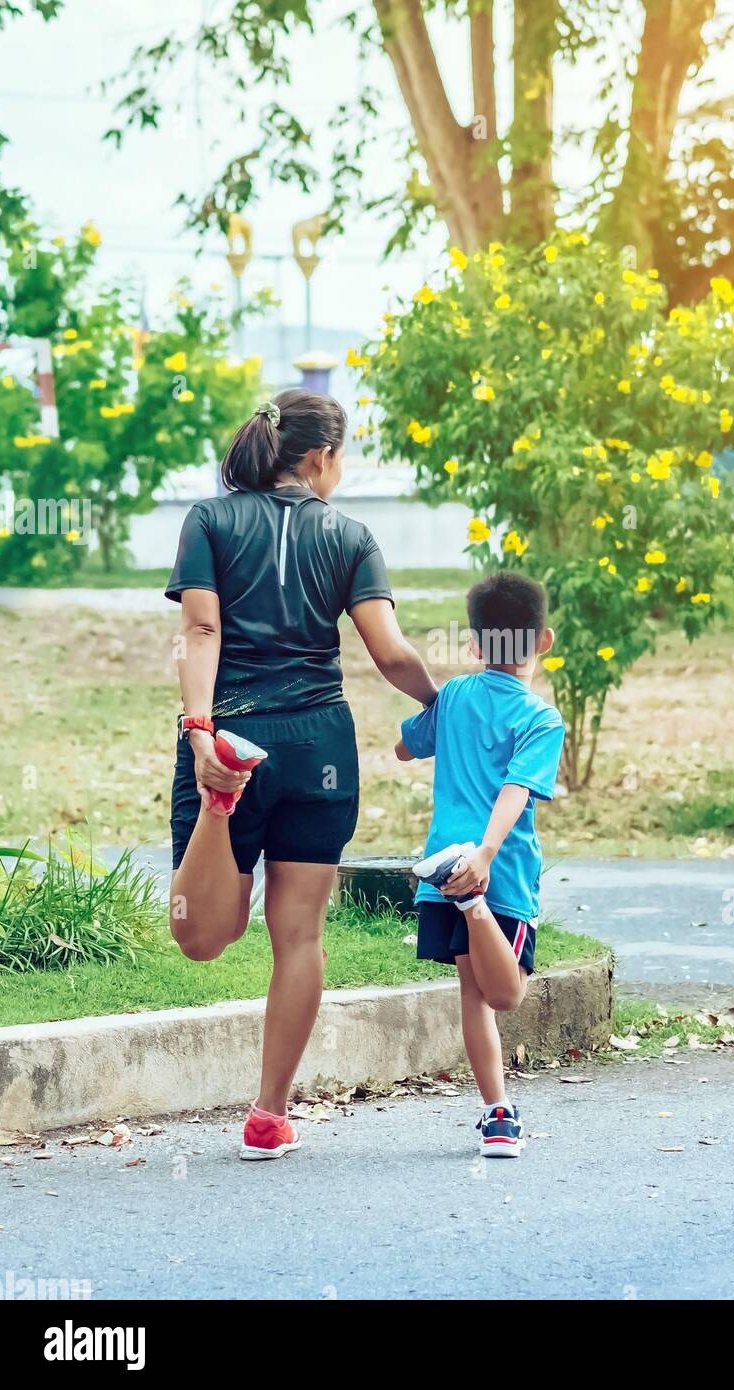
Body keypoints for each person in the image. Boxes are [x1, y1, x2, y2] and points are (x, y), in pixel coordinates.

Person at [166, 388, 437, 1160]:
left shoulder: (209, 520)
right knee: (300, 936)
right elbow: (389, 653)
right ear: (320, 458)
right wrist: (443, 707)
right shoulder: (349, 536)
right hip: (320, 745)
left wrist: (199, 732)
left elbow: (201, 628)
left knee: (202, 936)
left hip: (236, 734)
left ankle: (222, 806)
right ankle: (267, 1114)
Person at [396, 573, 565, 1157]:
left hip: (443, 864)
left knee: (474, 996)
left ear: (474, 646)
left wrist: (433, 714)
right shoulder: (542, 719)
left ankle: (497, 1112)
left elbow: (404, 746)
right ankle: (473, 905)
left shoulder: (456, 697)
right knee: (506, 996)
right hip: (504, 872)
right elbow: (517, 789)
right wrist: (487, 858)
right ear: (543, 640)